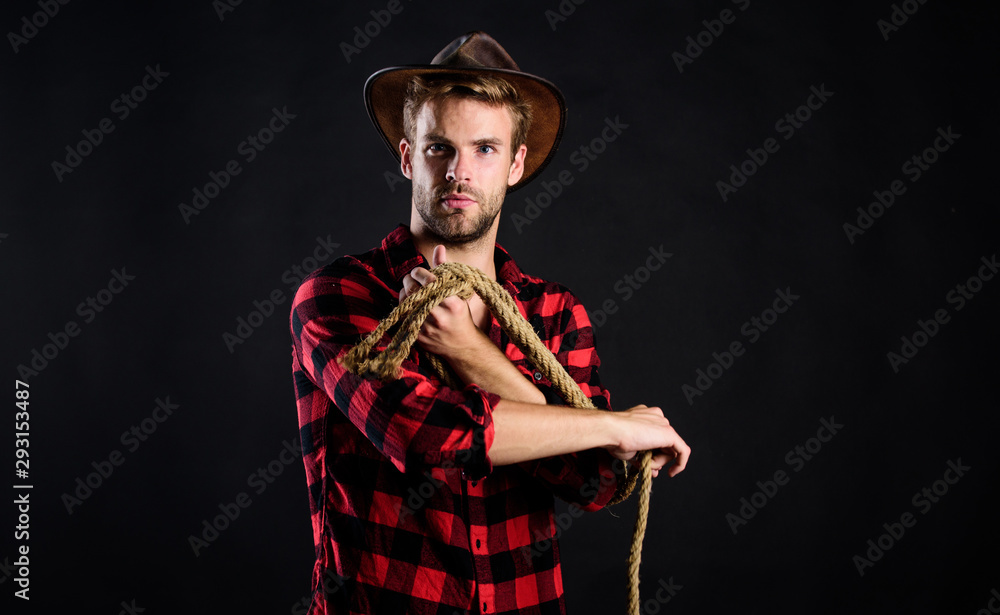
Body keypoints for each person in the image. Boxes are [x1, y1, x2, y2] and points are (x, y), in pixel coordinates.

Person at [289, 31, 691, 615]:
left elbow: (595, 481)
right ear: (407, 157)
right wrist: (612, 426)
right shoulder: (338, 296)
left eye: (484, 149)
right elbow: (421, 435)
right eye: (438, 148)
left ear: (515, 165)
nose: (459, 172)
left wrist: (469, 352)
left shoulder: (554, 313)